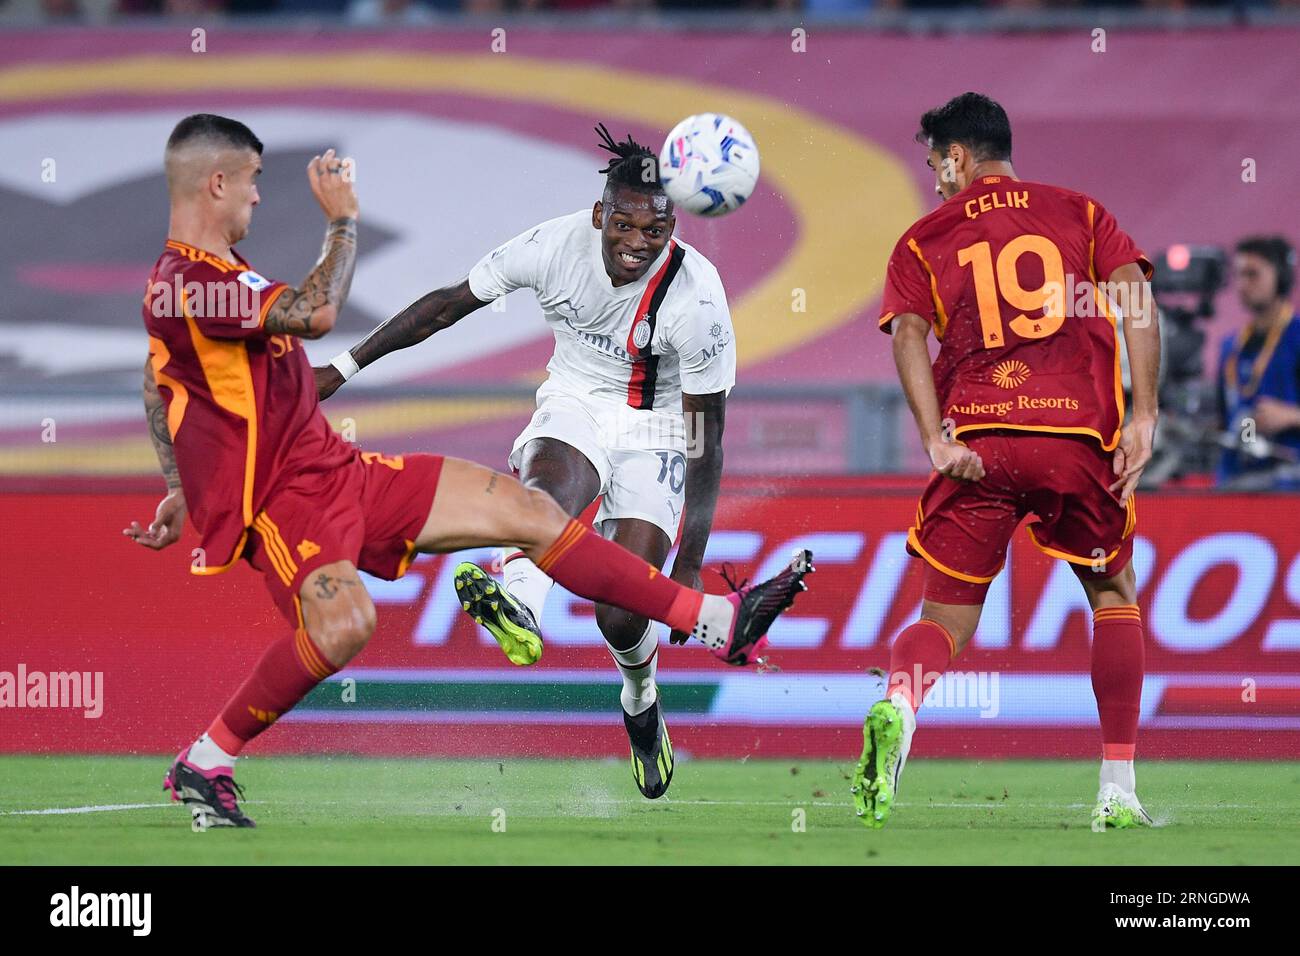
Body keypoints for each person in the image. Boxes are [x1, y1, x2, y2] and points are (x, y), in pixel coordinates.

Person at [126, 113, 813, 829]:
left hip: (351, 464)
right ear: (217, 183)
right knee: (347, 624)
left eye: (656, 230)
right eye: (253, 183)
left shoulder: (698, 298)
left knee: (534, 521)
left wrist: (176, 481)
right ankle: (209, 757)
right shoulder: (190, 282)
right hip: (280, 495)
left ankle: (703, 629)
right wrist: (344, 223)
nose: (259, 199)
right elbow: (320, 311)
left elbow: (158, 381)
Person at [312, 125, 742, 800]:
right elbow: (448, 307)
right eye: (624, 225)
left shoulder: (700, 298)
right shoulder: (552, 246)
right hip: (573, 398)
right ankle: (519, 606)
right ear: (601, 214)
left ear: (673, 227)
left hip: (656, 430)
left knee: (622, 615)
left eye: (654, 232)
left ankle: (640, 699)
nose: (637, 244)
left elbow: (704, 436)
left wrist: (689, 566)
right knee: (546, 491)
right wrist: (342, 367)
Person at [858, 93, 1159, 830]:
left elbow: (906, 337)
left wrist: (935, 440)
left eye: (935, 164)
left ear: (958, 156)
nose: (935, 181)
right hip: (1076, 442)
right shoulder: (1081, 213)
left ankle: (900, 703)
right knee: (1113, 594)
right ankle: (1117, 791)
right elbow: (1138, 303)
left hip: (981, 446)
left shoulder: (924, 238)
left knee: (946, 619)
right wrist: (1145, 413)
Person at [1215, 236, 1300, 490]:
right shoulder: (1231, 346)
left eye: (1253, 274)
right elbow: (1226, 417)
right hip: (1235, 478)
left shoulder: (1295, 338)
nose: (1242, 284)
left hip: (1288, 482)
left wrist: (1292, 416)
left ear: (1282, 277)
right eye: (1239, 274)